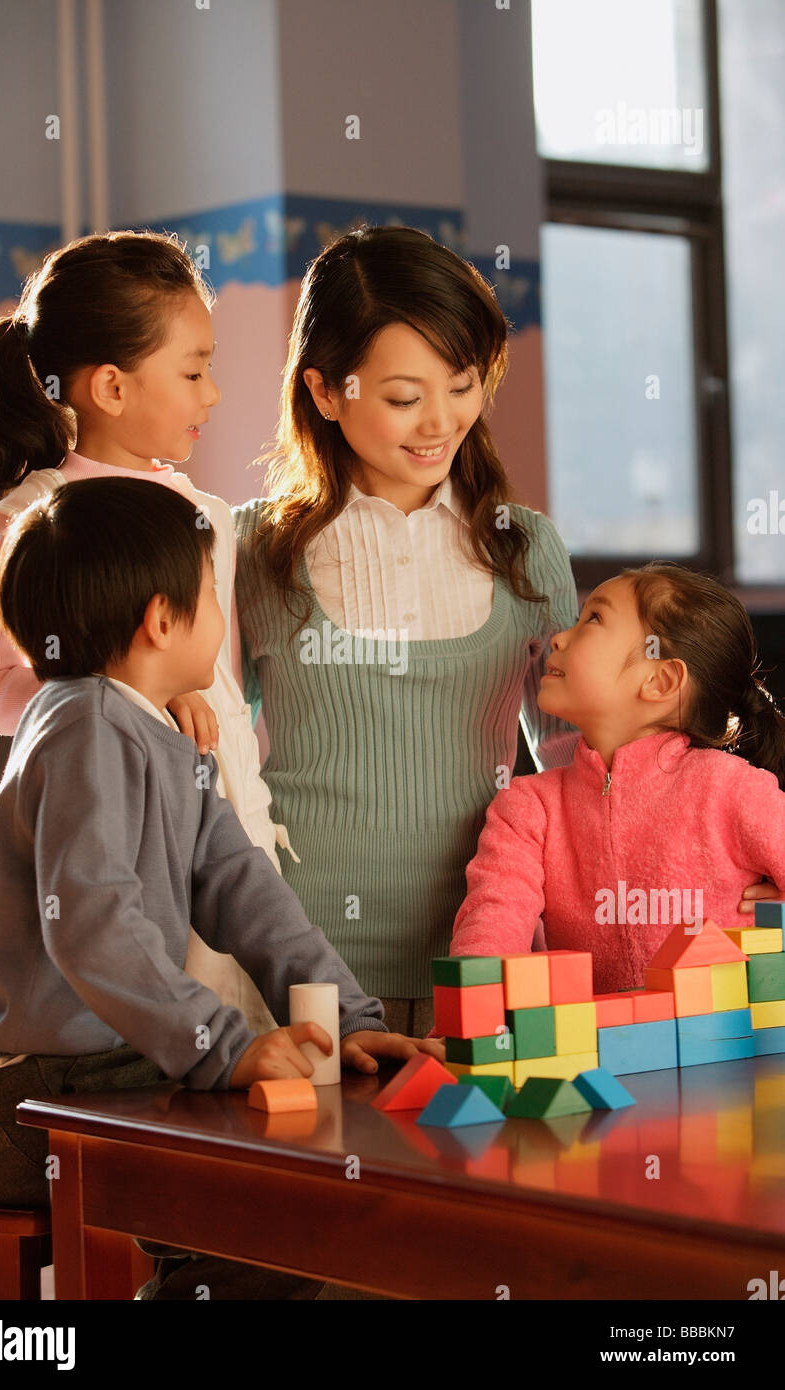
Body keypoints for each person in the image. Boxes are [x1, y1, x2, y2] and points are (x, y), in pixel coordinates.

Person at [231, 225, 775, 1028]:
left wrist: (726, 873)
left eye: (462, 385)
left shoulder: (522, 548)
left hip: (497, 971)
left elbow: (590, 760)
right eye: (402, 398)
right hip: (298, 969)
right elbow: (214, 763)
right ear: (322, 392)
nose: (439, 423)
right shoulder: (250, 549)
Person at [0, 476, 443, 1299]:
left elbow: (246, 891)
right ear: (161, 620)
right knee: (258, 1214)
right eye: (212, 594)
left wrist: (344, 1018)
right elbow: (92, 926)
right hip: (9, 1097)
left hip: (89, 1074)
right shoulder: (85, 723)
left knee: (276, 1191)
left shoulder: (154, 731)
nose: (222, 613)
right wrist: (228, 1048)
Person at [0, 229, 279, 1030]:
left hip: (230, 832)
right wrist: (123, 690)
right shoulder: (37, 515)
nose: (212, 394)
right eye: (193, 372)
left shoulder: (203, 513)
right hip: (123, 852)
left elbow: (220, 687)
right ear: (111, 388)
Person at [449, 563, 785, 993]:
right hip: (597, 1055)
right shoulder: (528, 807)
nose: (559, 637)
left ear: (659, 680)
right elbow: (492, 926)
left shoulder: (729, 788)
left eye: (593, 618)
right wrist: (469, 1022)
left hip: (733, 1052)